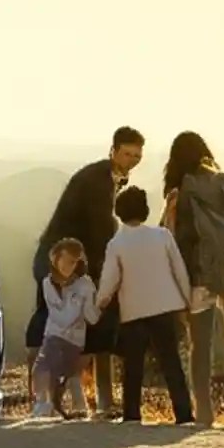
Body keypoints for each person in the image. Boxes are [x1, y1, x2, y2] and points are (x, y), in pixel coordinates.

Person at [27, 126, 145, 417]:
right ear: (113, 150)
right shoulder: (99, 181)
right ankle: (65, 401)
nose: (132, 160)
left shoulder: (106, 177)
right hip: (61, 262)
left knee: (69, 327)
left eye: (137, 155)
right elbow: (100, 231)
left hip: (66, 259)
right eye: (127, 153)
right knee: (69, 327)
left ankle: (67, 401)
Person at [161, 131, 224, 430]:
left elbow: (174, 237)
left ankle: (204, 416)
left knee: (199, 345)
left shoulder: (182, 192)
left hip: (201, 273)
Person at [96, 186, 195, 424]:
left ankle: (132, 415)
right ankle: (183, 415)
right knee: (171, 362)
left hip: (134, 311)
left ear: (118, 212)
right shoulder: (162, 236)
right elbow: (179, 269)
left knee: (133, 365)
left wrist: (100, 301)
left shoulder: (116, 244)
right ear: (145, 210)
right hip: (165, 306)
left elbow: (109, 280)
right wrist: (187, 301)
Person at [30, 238, 101, 419]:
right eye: (66, 260)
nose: (69, 266)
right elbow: (59, 316)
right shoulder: (48, 283)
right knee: (44, 367)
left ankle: (67, 406)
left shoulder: (84, 284)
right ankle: (44, 404)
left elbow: (91, 317)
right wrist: (77, 303)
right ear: (56, 259)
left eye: (73, 262)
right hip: (54, 334)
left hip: (74, 338)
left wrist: (94, 300)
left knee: (65, 371)